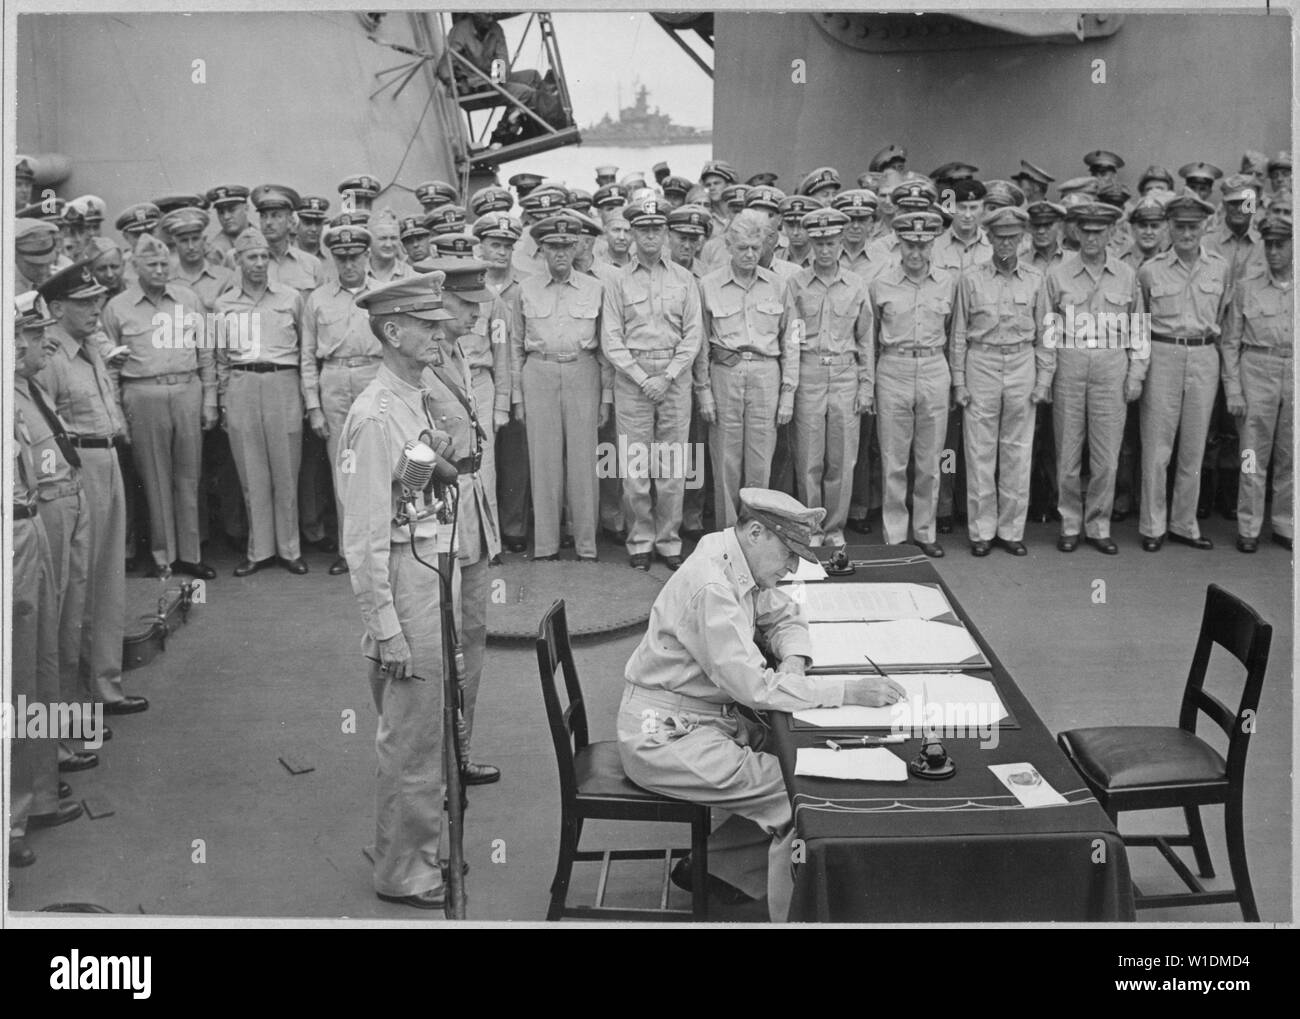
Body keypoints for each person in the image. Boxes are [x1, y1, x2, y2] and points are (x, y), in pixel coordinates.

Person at [616, 487, 906, 920]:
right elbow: (754, 688)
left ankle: (716, 868)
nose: (792, 566)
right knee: (800, 798)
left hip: (704, 716)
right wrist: (847, 692)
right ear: (756, 532)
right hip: (665, 734)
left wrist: (792, 658)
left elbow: (783, 614)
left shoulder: (731, 553)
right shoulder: (713, 585)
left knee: (806, 760)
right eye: (789, 553)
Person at [339, 272, 457, 910]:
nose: (439, 331)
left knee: (425, 727)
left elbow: (402, 490)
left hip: (427, 566)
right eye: (426, 323)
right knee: (410, 737)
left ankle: (410, 847)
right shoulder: (375, 415)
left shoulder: (412, 397)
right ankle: (403, 872)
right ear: (392, 331)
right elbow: (362, 539)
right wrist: (386, 630)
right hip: (405, 584)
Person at [37, 262, 148, 716]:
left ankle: (105, 686)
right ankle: (77, 699)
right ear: (56, 307)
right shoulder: (49, 356)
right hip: (77, 464)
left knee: (107, 579)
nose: (94, 309)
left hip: (106, 457)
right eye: (83, 303)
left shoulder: (90, 347)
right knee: (78, 583)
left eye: (97, 301)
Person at [419, 258, 503, 785]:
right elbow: (406, 463)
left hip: (470, 504)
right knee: (440, 636)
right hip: (439, 511)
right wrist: (434, 458)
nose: (475, 314)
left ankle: (460, 752)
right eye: (466, 305)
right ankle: (435, 760)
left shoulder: (456, 354)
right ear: (439, 302)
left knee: (473, 630)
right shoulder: (419, 368)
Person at [12, 291, 88, 864]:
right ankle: (15, 814)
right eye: (34, 336)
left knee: (37, 665)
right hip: (17, 530)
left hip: (33, 520)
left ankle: (33, 795)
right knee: (17, 676)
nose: (44, 344)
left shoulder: (24, 391)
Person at [100, 234, 217, 579]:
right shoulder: (117, 308)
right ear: (134, 266)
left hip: (186, 390)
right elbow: (108, 368)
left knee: (189, 476)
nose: (160, 270)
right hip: (142, 394)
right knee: (154, 478)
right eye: (151, 264)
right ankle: (164, 556)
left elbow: (206, 351)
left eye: (165, 264)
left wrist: (210, 399)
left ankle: (191, 554)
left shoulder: (188, 299)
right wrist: (117, 414)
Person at [1037, 202, 1147, 555]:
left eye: (1099, 231)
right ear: (1076, 233)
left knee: (1107, 456)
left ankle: (1098, 524)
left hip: (1111, 364)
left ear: (1111, 233)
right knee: (1067, 453)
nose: (1092, 238)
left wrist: (1136, 374)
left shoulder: (1127, 275)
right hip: (1070, 362)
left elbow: (1139, 329)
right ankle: (1070, 523)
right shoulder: (1058, 274)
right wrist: (1047, 374)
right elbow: (1047, 330)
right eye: (1085, 231)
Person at [601, 197, 703, 569]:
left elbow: (693, 336)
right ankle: (640, 540)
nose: (649, 235)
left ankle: (668, 540)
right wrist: (645, 378)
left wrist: (669, 376)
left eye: (656, 229)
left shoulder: (684, 278)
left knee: (673, 467)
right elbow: (611, 338)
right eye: (642, 229)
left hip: (674, 378)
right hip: (633, 378)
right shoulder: (617, 281)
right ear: (631, 233)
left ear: (665, 233)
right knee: (634, 468)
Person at [1135, 192, 1231, 552]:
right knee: (1157, 447)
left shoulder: (1219, 268)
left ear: (1204, 227)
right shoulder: (1150, 269)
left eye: (1193, 226)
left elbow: (1224, 315)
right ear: (1169, 228)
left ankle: (1183, 523)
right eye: (1179, 226)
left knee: (1193, 446)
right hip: (1163, 353)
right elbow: (1140, 323)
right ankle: (1152, 525)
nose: (1187, 234)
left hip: (1204, 354)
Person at [511, 212, 609, 561]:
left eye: (567, 246)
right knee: (544, 462)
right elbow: (515, 346)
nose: (561, 254)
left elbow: (606, 348)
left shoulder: (596, 288)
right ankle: (547, 546)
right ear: (542, 250)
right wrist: (517, 397)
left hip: (583, 372)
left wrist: (606, 398)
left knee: (584, 463)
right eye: (553, 247)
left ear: (577, 247)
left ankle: (586, 545)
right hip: (539, 372)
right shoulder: (525, 290)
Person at [951, 206, 1046, 556]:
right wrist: (959, 381)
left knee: (1017, 451)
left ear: (1021, 239)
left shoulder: (1037, 278)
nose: (1005, 244)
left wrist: (1044, 379)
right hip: (983, 361)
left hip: (1022, 362)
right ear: (988, 238)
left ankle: (1011, 530)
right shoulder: (971, 278)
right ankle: (981, 531)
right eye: (999, 237)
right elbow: (959, 332)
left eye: (1012, 237)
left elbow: (1046, 333)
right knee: (979, 451)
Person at [215, 228, 308, 576]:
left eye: (263, 256)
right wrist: (222, 400)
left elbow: (305, 347)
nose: (258, 263)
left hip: (283, 381)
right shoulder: (223, 304)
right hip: (241, 383)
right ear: (237, 261)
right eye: (251, 257)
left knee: (286, 469)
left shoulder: (291, 298)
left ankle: (290, 549)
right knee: (251, 472)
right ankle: (260, 550)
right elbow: (219, 357)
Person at [697, 210, 798, 529]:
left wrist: (788, 394)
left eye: (756, 247)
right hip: (725, 375)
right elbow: (700, 342)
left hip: (767, 376)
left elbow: (794, 337)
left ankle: (758, 531)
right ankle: (728, 532)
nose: (750, 254)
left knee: (760, 462)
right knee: (725, 460)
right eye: (742, 248)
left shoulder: (780, 285)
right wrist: (704, 392)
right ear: (729, 245)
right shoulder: (708, 285)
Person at [785, 207, 874, 547]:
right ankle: (811, 528)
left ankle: (834, 527)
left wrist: (867, 386)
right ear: (810, 243)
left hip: (843, 373)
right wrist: (790, 385)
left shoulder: (856, 284)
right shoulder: (796, 283)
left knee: (841, 459)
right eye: (818, 243)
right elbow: (791, 338)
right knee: (809, 459)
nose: (824, 250)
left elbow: (865, 339)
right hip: (809, 371)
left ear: (841, 244)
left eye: (831, 243)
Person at [869, 209, 955, 557]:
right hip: (894, 367)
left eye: (923, 246)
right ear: (899, 245)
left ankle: (925, 530)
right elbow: (872, 337)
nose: (916, 253)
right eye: (909, 245)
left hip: (934, 365)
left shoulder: (948, 282)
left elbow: (954, 332)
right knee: (893, 459)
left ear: (932, 244)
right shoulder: (881, 284)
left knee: (930, 458)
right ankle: (895, 534)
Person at [301, 225, 381, 575]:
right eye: (342, 258)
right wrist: (313, 406)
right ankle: (350, 552)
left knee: (380, 460)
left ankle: (380, 544)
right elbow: (307, 356)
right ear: (333, 259)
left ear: (367, 256)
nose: (349, 264)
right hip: (333, 380)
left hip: (373, 376)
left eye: (355, 256)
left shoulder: (383, 294)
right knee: (343, 466)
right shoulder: (317, 299)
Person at [1222, 209, 1293, 552]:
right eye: (1270, 245)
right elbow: (1231, 341)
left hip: (1293, 371)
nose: (1274, 251)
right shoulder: (1248, 288)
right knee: (1251, 453)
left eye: (1281, 244)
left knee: (1290, 454)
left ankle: (1285, 523)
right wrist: (1233, 388)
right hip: (1257, 369)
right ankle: (1248, 526)